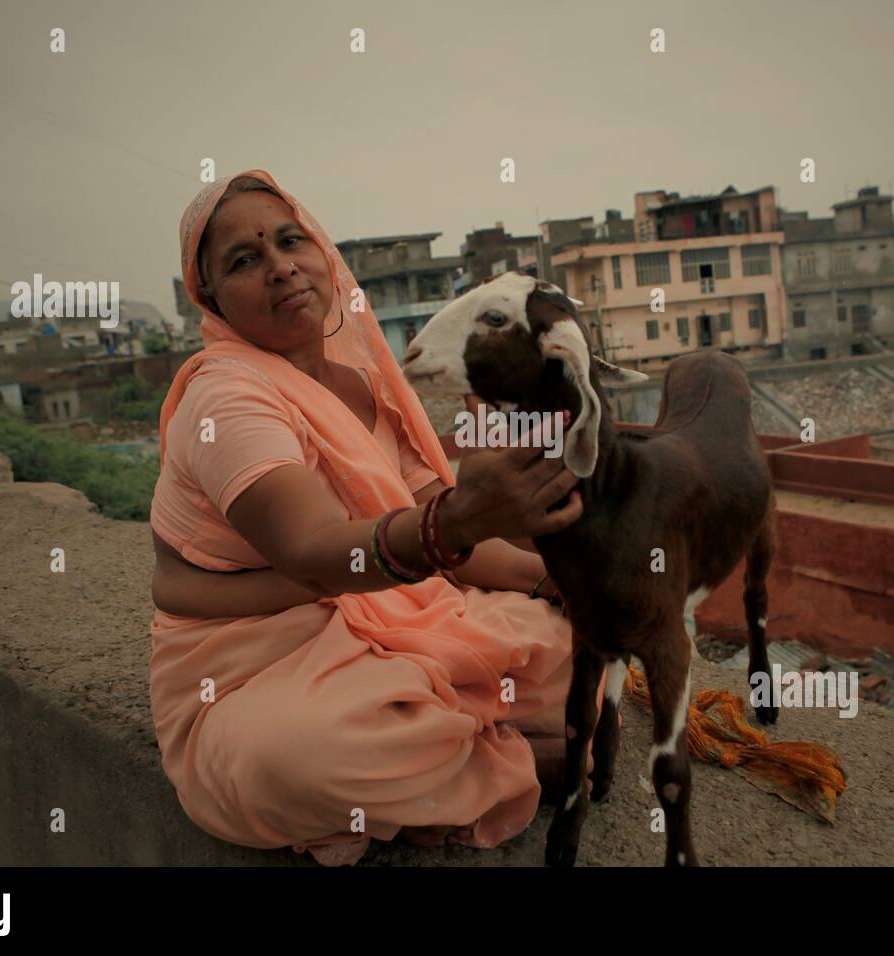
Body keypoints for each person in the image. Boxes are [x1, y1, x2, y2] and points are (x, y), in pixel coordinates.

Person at [149, 169, 612, 866]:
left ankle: (449, 766)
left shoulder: (364, 387)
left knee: (584, 642)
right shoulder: (227, 399)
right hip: (258, 665)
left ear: (322, 250)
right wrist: (453, 525)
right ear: (210, 297)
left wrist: (555, 581)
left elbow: (435, 523)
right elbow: (315, 549)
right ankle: (519, 765)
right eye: (244, 261)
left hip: (388, 617)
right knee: (301, 760)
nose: (280, 268)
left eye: (289, 241)